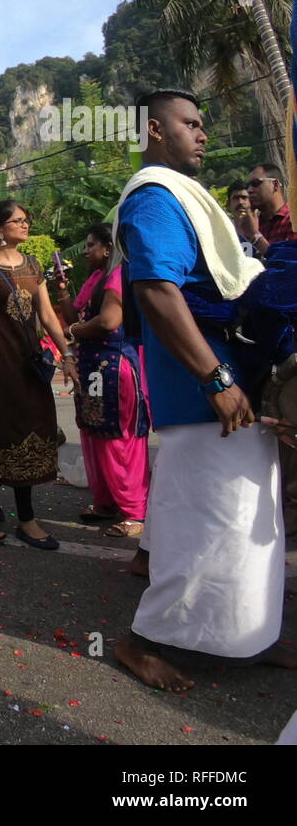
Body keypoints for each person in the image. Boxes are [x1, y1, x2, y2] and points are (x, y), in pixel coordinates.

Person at [110, 90, 293, 692]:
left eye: (202, 123)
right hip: (205, 390)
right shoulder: (156, 198)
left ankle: (251, 634)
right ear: (155, 132)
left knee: (244, 519)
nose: (202, 133)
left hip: (228, 381)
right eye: (189, 123)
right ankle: (140, 644)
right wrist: (214, 377)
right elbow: (157, 292)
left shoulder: (183, 196)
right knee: (208, 525)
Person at [0, 201, 77, 549]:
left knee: (33, 430)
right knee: (2, 433)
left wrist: (67, 355)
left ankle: (25, 519)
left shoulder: (33, 265)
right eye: (18, 221)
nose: (25, 225)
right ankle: (0, 515)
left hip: (31, 362)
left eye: (26, 220)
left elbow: (47, 315)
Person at [53, 224, 151, 536]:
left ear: (109, 248)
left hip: (114, 365)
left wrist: (72, 333)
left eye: (91, 245)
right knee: (94, 436)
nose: (85, 251)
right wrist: (64, 291)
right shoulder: (97, 278)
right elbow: (75, 317)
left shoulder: (119, 275)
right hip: (94, 366)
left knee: (118, 439)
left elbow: (108, 321)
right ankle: (107, 501)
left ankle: (134, 512)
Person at [236, 163, 292, 256]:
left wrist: (255, 237)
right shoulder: (253, 224)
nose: (249, 190)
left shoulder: (292, 221)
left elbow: (289, 263)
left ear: (275, 185)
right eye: (247, 186)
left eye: (256, 183)